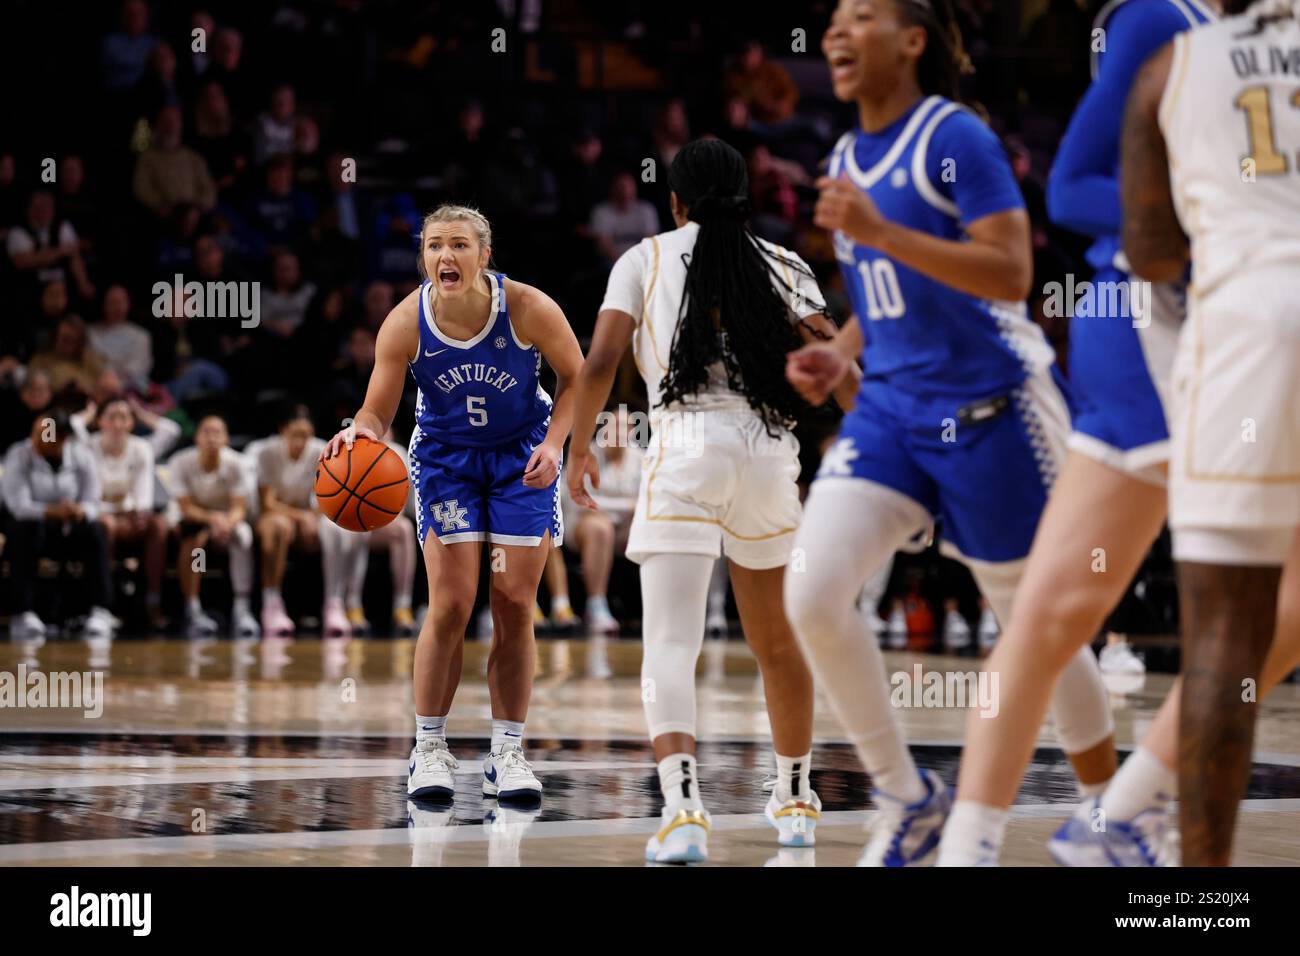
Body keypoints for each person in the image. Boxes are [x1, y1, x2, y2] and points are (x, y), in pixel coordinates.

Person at [782, 0, 1115, 866]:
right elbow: (887, 281)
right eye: (832, 20)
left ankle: (1111, 808)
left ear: (914, 39)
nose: (836, 33)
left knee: (1033, 622)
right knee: (812, 591)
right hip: (892, 408)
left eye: (860, 16)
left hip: (993, 406)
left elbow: (1011, 271)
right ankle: (905, 794)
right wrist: (842, 351)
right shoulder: (845, 155)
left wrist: (880, 229)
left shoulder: (953, 135)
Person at [937, 0, 1254, 868]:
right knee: (1056, 611)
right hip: (1160, 321)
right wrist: (1219, 224)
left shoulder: (1270, 40)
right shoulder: (1163, 17)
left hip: (1238, 326)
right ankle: (1023, 835)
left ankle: (1109, 819)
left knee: (1062, 609)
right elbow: (1075, 188)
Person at [568, 138, 855, 862]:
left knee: (670, 642)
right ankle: (794, 799)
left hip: (686, 446)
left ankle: (685, 810)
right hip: (766, 450)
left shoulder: (644, 258)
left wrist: (574, 449)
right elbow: (834, 358)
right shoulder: (785, 262)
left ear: (675, 202)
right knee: (777, 644)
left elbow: (600, 360)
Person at [1116, 0, 1300, 865]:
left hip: (1248, 323)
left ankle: (1201, 896)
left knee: (1227, 630)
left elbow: (1149, 250)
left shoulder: (1169, 66)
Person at [322, 204, 583, 804]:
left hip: (522, 456)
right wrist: (359, 432)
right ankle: (430, 746)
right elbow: (377, 411)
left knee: (515, 602)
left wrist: (553, 443)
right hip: (446, 462)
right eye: (436, 246)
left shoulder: (526, 307)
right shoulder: (404, 322)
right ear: (423, 258)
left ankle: (507, 753)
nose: (447, 256)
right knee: (452, 602)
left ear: (484, 256)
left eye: (460, 245)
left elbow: (580, 376)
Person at [2, 409, 117, 639]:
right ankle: (23, 612)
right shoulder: (19, 454)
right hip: (34, 527)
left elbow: (93, 500)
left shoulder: (82, 455)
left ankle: (100, 610)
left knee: (96, 530)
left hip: (70, 527)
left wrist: (80, 510)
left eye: (43, 435)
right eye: (35, 433)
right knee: (21, 531)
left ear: (62, 438)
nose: (35, 439)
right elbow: (18, 506)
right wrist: (54, 511)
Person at [255, 405, 363, 637]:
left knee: (338, 531)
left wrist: (311, 516)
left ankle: (334, 604)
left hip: (310, 515)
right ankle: (272, 604)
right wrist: (300, 516)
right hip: (277, 516)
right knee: (279, 527)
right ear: (283, 431)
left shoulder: (321, 449)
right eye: (296, 434)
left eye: (306, 435)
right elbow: (268, 503)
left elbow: (325, 496)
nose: (301, 441)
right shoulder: (267, 452)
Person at [552, 407, 644, 634]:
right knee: (600, 528)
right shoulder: (587, 453)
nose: (620, 433)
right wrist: (624, 507)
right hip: (583, 525)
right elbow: (573, 499)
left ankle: (654, 605)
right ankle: (596, 604)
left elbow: (649, 500)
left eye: (626, 427)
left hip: (624, 527)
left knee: (654, 529)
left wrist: (616, 509)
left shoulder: (641, 458)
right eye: (615, 427)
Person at [167, 415, 259, 637]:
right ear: (197, 437)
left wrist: (226, 523)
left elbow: (239, 507)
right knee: (196, 546)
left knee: (243, 537)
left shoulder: (237, 463)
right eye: (206, 432)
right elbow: (186, 507)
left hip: (226, 522)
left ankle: (242, 607)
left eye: (217, 432)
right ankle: (193, 607)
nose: (212, 437)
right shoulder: (180, 462)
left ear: (226, 438)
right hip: (194, 520)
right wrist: (212, 520)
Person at [89, 396, 169, 630]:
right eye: (111, 417)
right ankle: (103, 606)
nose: (117, 423)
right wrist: (86, 414)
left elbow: (170, 430)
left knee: (159, 527)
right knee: (106, 527)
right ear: (100, 421)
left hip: (130, 516)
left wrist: (140, 411)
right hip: (98, 516)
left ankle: (153, 601)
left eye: (123, 417)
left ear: (131, 423)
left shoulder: (141, 447)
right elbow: (90, 495)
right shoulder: (87, 445)